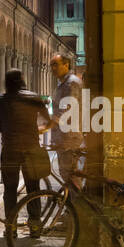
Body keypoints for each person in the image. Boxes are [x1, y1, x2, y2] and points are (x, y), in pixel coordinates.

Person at [0, 68, 52, 228]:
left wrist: (8, 128)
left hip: (10, 149)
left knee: (9, 189)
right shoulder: (34, 98)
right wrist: (38, 129)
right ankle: (35, 225)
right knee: (33, 187)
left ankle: (11, 226)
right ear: (22, 80)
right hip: (32, 148)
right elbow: (47, 121)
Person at [48, 53, 84, 184]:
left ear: (66, 65)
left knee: (69, 175)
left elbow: (66, 108)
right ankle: (73, 202)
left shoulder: (71, 83)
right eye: (51, 65)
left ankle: (77, 203)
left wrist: (48, 125)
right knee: (67, 174)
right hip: (64, 137)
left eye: (55, 65)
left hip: (69, 137)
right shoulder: (64, 83)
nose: (52, 68)